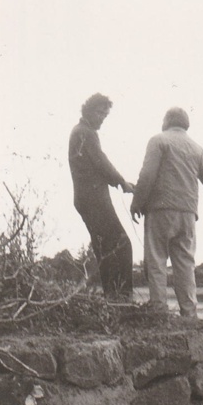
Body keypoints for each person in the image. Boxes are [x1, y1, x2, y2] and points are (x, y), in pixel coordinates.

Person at [130, 107, 203, 317]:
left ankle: (159, 311)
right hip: (187, 213)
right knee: (185, 263)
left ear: (165, 121)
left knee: (156, 260)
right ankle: (189, 313)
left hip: (160, 209)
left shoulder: (158, 141)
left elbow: (147, 175)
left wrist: (137, 202)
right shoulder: (196, 148)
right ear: (186, 124)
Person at [69, 93, 134, 299]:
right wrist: (122, 182)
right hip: (94, 199)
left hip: (86, 199)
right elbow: (101, 161)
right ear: (88, 109)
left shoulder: (80, 132)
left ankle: (112, 296)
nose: (102, 119)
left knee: (105, 247)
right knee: (122, 243)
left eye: (105, 116)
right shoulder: (85, 132)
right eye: (99, 113)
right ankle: (121, 296)